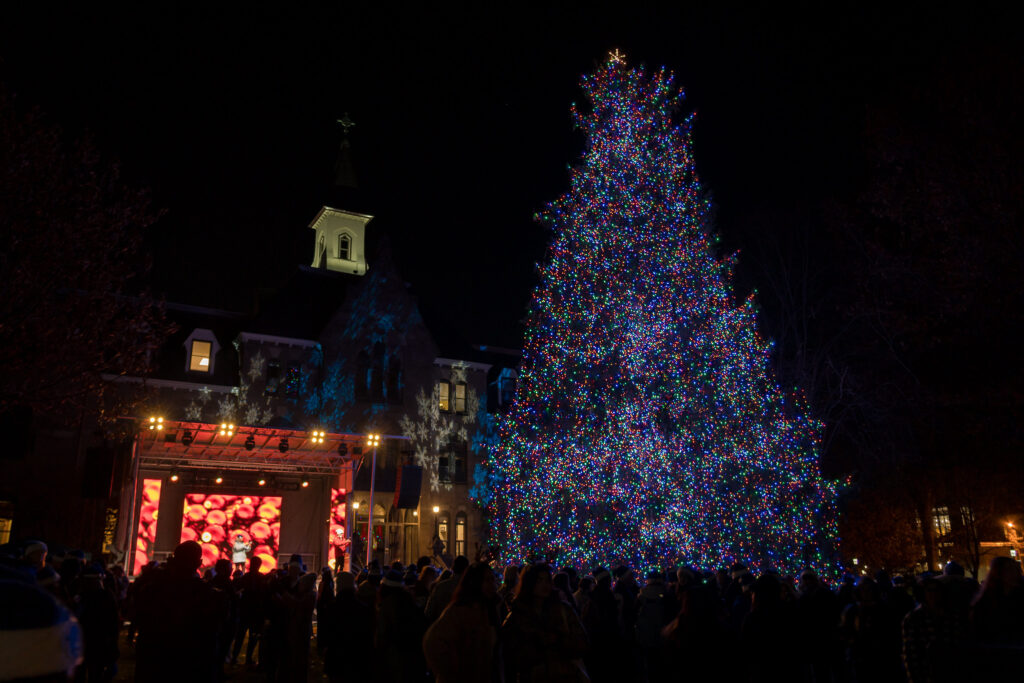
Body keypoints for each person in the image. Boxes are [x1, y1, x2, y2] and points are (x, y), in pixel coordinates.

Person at [134, 540, 225, 681]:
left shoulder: (152, 590)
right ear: (199, 563)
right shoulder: (209, 594)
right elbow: (212, 636)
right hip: (192, 665)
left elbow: (141, 622)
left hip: (156, 663)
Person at [502, 563, 589, 683]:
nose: (545, 585)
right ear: (530, 583)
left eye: (547, 580)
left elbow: (582, 644)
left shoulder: (563, 610)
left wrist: (558, 640)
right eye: (539, 581)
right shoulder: (518, 615)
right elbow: (509, 652)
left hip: (563, 675)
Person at [423, 562, 499, 683]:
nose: (493, 584)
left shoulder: (487, 609)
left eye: (493, 579)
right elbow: (432, 641)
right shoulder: (461, 611)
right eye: (487, 580)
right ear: (476, 583)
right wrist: (453, 672)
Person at [376, 569, 427, 683]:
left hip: (393, 659)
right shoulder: (411, 603)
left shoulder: (386, 607)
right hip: (412, 659)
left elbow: (382, 636)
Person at [324, 571, 373, 683]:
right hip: (357, 659)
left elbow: (328, 634)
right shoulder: (363, 609)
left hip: (337, 659)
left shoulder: (332, 608)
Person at [231, 556, 266, 668]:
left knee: (240, 636)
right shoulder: (261, 578)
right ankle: (248, 659)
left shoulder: (245, 577)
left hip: (245, 611)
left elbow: (238, 591)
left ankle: (234, 657)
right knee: (252, 637)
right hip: (255, 612)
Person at [426, 555, 469, 622]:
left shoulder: (440, 587)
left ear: (452, 568)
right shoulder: (470, 589)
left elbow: (429, 612)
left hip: (441, 624)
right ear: (466, 569)